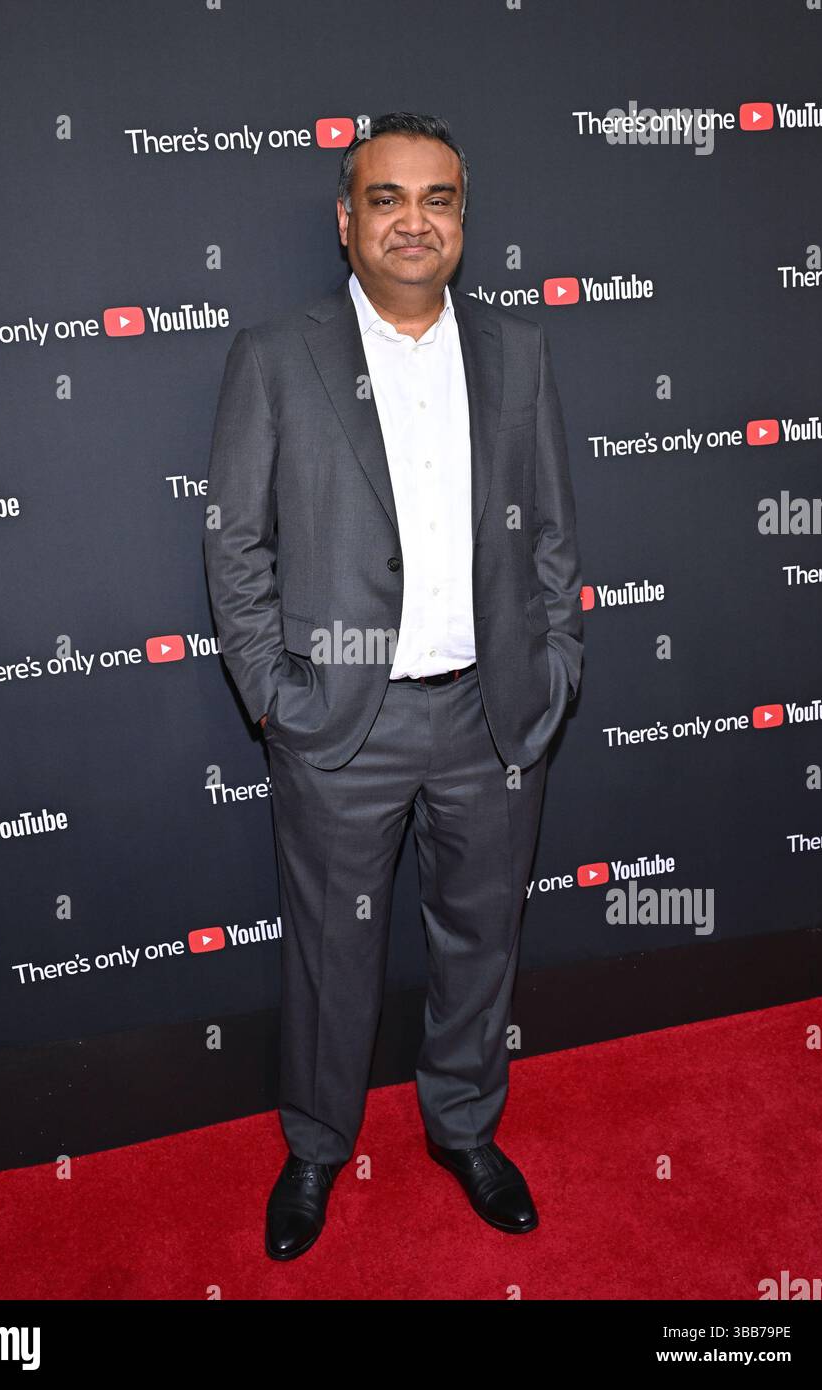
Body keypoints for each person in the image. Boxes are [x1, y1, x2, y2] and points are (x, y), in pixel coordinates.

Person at [202, 112, 583, 1261]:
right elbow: (236, 543)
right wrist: (273, 693)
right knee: (331, 953)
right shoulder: (277, 356)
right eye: (386, 198)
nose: (413, 220)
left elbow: (551, 534)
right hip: (339, 725)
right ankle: (317, 1147)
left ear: (461, 217)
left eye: (437, 198)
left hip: (491, 713)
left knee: (481, 942)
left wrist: (553, 663)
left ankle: (464, 1127)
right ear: (346, 220)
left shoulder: (518, 351)